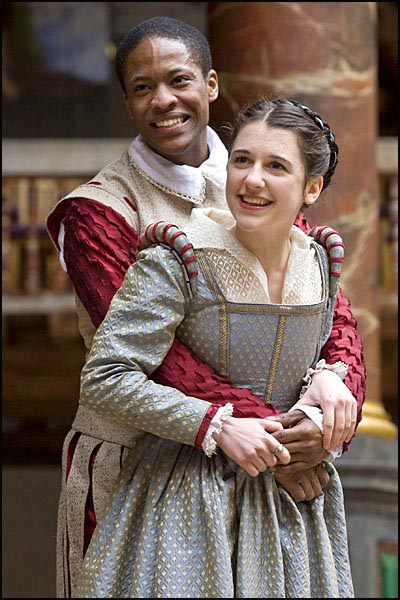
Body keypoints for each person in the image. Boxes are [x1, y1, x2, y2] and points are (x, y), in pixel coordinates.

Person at [46, 16, 365, 598]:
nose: (163, 99)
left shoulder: (258, 169)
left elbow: (323, 308)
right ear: (126, 100)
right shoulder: (97, 212)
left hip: (262, 468)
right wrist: (285, 444)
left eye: (178, 79)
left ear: (211, 84)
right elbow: (160, 358)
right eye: (142, 87)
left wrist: (333, 391)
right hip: (138, 461)